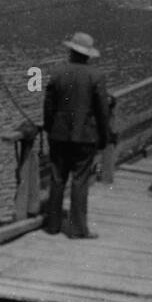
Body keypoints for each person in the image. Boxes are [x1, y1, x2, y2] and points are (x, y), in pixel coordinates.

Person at [43, 31, 113, 239]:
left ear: (71, 51)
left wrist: (49, 128)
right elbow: (102, 111)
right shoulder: (96, 77)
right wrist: (104, 137)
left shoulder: (56, 73)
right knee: (80, 180)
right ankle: (77, 228)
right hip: (85, 137)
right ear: (88, 55)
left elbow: (48, 107)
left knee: (57, 178)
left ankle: (52, 225)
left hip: (58, 136)